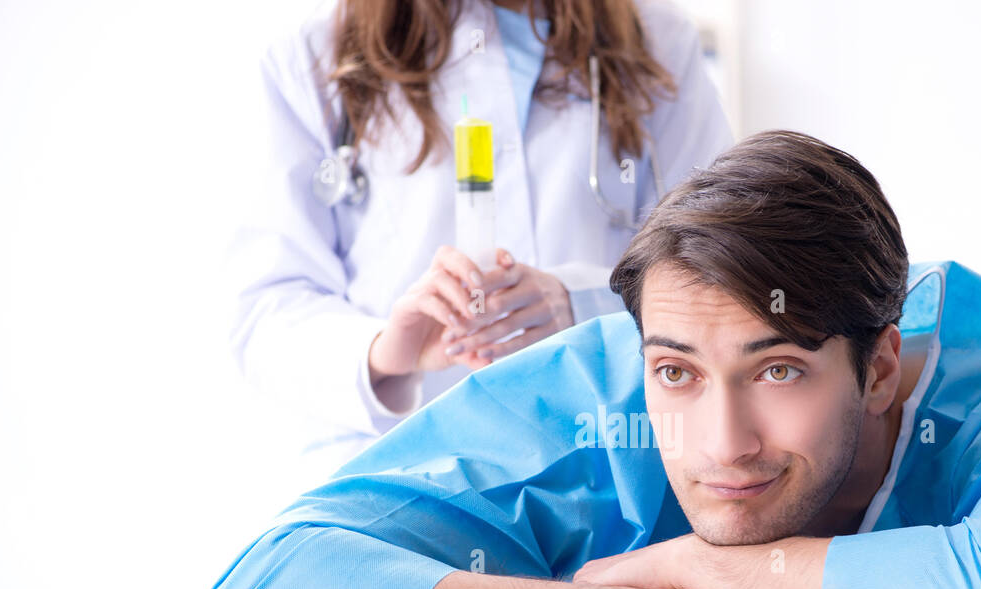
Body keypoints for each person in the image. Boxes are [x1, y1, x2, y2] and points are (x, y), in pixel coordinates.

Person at [204, 130, 981, 589]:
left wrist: (691, 564)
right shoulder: (600, 384)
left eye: (777, 373)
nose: (718, 446)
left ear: (881, 367)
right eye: (676, 374)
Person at [229, 0, 733, 483]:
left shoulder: (658, 37)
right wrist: (384, 353)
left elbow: (720, 265)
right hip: (398, 472)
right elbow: (267, 310)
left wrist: (581, 305)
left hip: (604, 466)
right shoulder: (314, 53)